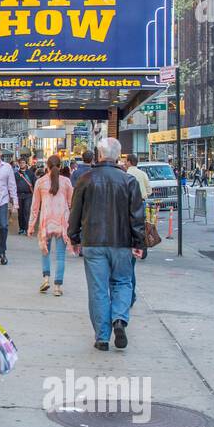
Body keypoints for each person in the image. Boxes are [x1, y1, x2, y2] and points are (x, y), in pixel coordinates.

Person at [68, 137, 145, 351]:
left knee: (98, 289)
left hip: (93, 242)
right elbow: (137, 217)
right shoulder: (129, 181)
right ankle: (119, 318)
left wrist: (74, 237)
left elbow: (75, 212)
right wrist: (139, 242)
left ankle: (102, 337)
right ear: (118, 156)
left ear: (99, 155)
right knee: (122, 282)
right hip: (122, 242)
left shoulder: (85, 179)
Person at [29, 154, 75, 296]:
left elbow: (35, 207)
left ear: (47, 167)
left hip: (46, 222)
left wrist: (31, 225)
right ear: (60, 167)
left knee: (45, 252)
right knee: (60, 256)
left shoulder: (40, 182)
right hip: (62, 222)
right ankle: (57, 287)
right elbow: (71, 203)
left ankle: (46, 279)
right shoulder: (66, 182)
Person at [13, 156, 34, 239]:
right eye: (20, 163)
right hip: (19, 195)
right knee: (20, 212)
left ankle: (26, 228)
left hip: (28, 195)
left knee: (26, 211)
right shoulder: (16, 174)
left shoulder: (30, 173)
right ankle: (21, 228)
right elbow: (13, 185)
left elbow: (34, 183)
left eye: (23, 163)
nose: (22, 164)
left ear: (26, 164)